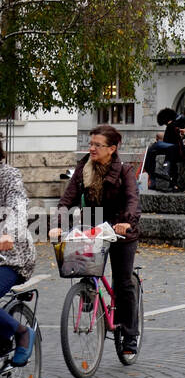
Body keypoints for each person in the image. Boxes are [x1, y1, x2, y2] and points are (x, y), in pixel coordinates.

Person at [54, 125, 141, 357]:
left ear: (112, 149)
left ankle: (130, 335)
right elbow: (67, 200)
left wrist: (127, 222)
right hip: (93, 224)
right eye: (90, 144)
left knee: (123, 283)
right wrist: (59, 225)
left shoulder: (124, 171)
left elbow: (133, 200)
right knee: (84, 266)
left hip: (120, 228)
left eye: (97, 145)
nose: (91, 148)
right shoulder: (84, 168)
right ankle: (89, 291)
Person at [0, 135, 36, 366]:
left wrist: (8, 233)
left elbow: (17, 206)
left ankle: (22, 331)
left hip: (10, 258)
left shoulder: (8, 175)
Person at [143, 108, 185, 190]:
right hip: (173, 147)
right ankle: (151, 176)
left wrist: (170, 126)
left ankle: (152, 176)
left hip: (177, 147)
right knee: (151, 150)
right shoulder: (174, 123)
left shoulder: (177, 122)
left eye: (165, 124)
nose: (166, 125)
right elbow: (168, 139)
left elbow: (171, 139)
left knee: (154, 147)